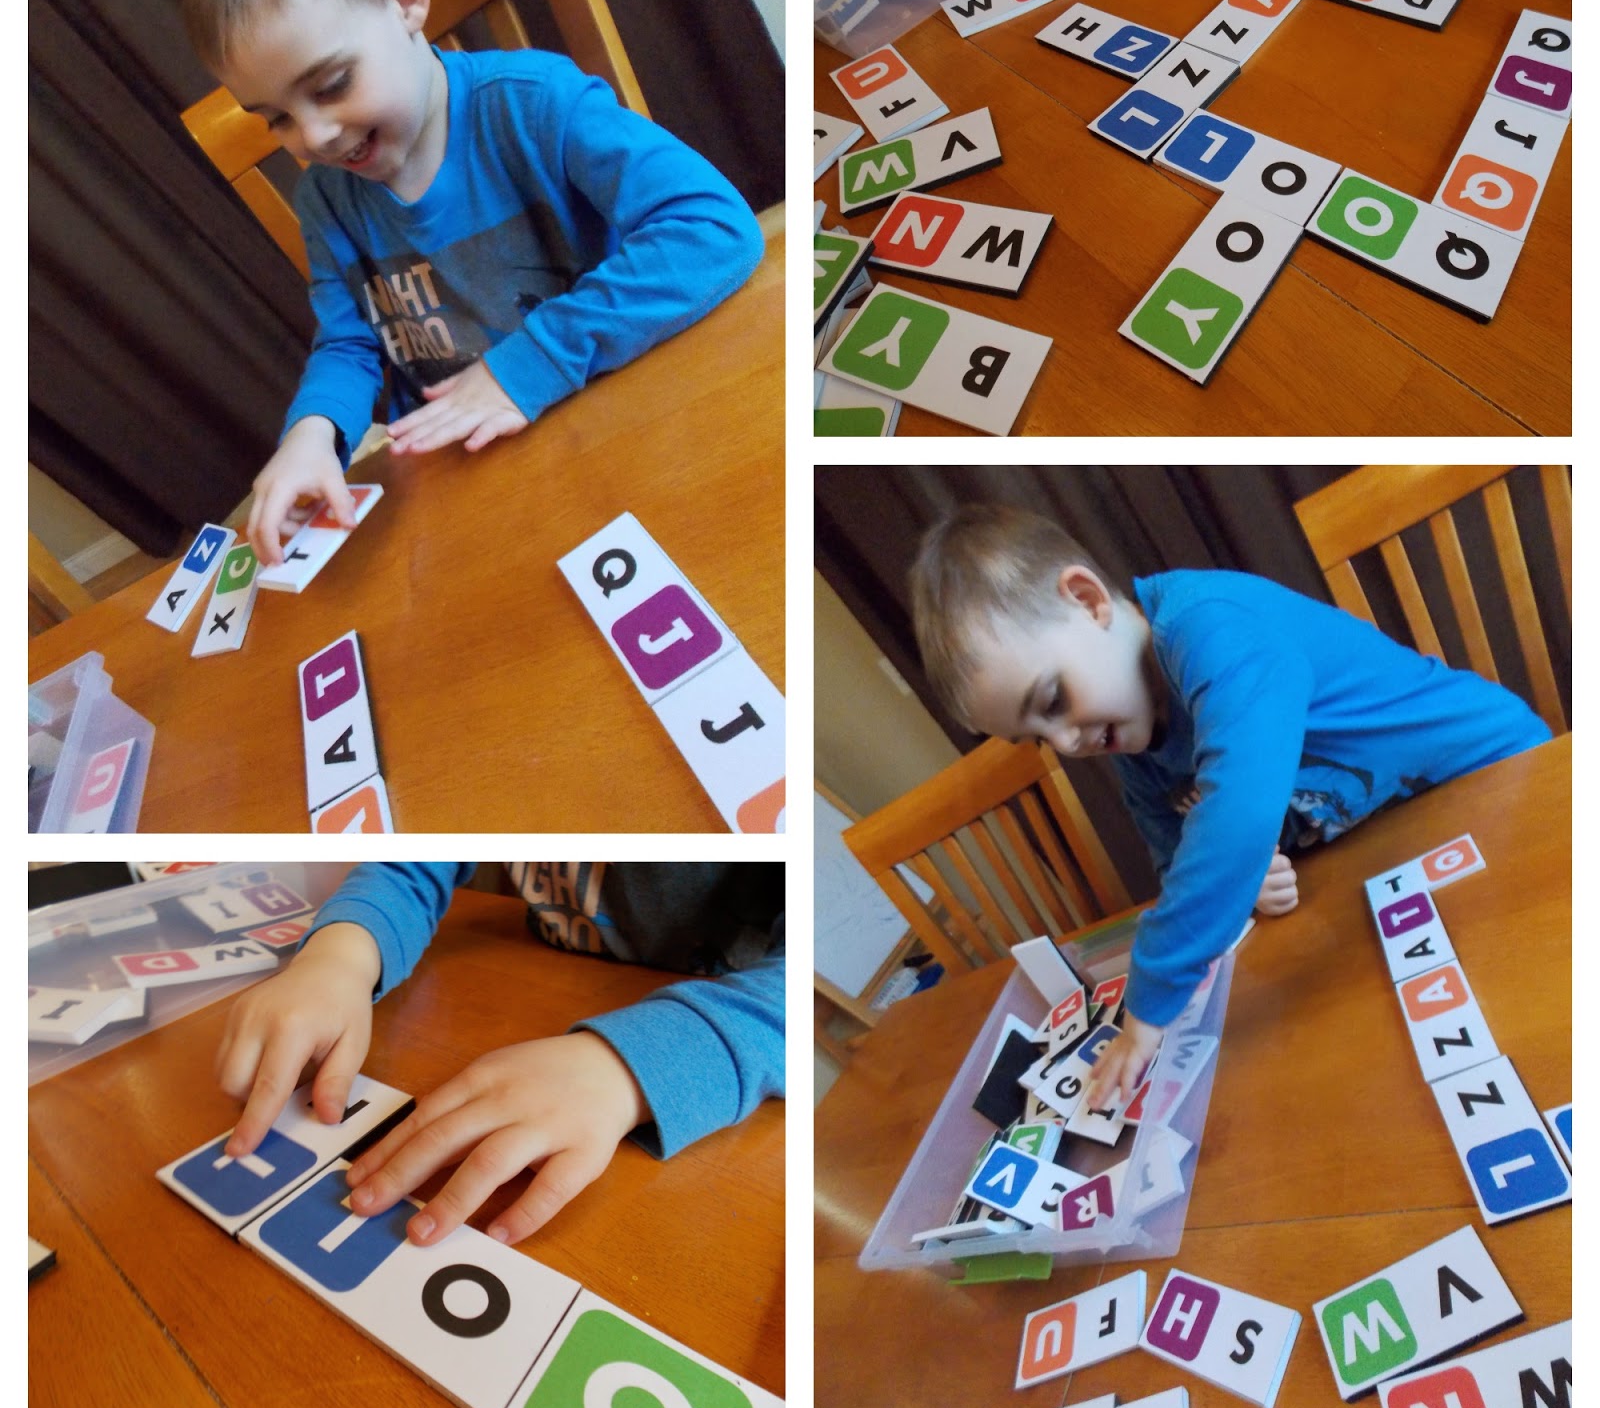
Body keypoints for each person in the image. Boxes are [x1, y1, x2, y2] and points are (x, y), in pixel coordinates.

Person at [179, 0, 766, 565]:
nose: (311, 138)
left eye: (333, 83)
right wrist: (312, 433)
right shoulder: (326, 198)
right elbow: (349, 341)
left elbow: (713, 228)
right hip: (469, 476)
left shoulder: (538, 103)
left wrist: (532, 362)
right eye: (275, 119)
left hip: (612, 420)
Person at [909, 503, 1550, 1110]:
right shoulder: (1135, 746)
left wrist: (1150, 999)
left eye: (1052, 701)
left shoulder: (1211, 626)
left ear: (1087, 600)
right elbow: (1179, 865)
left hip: (1504, 771)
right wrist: (1247, 884)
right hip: (1401, 846)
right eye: (1036, 739)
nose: (1064, 743)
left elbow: (1236, 819)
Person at [215, 862, 784, 1245]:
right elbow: (411, 861)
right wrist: (340, 954)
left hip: (719, 1073)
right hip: (519, 979)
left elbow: (796, 989)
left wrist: (627, 1068)